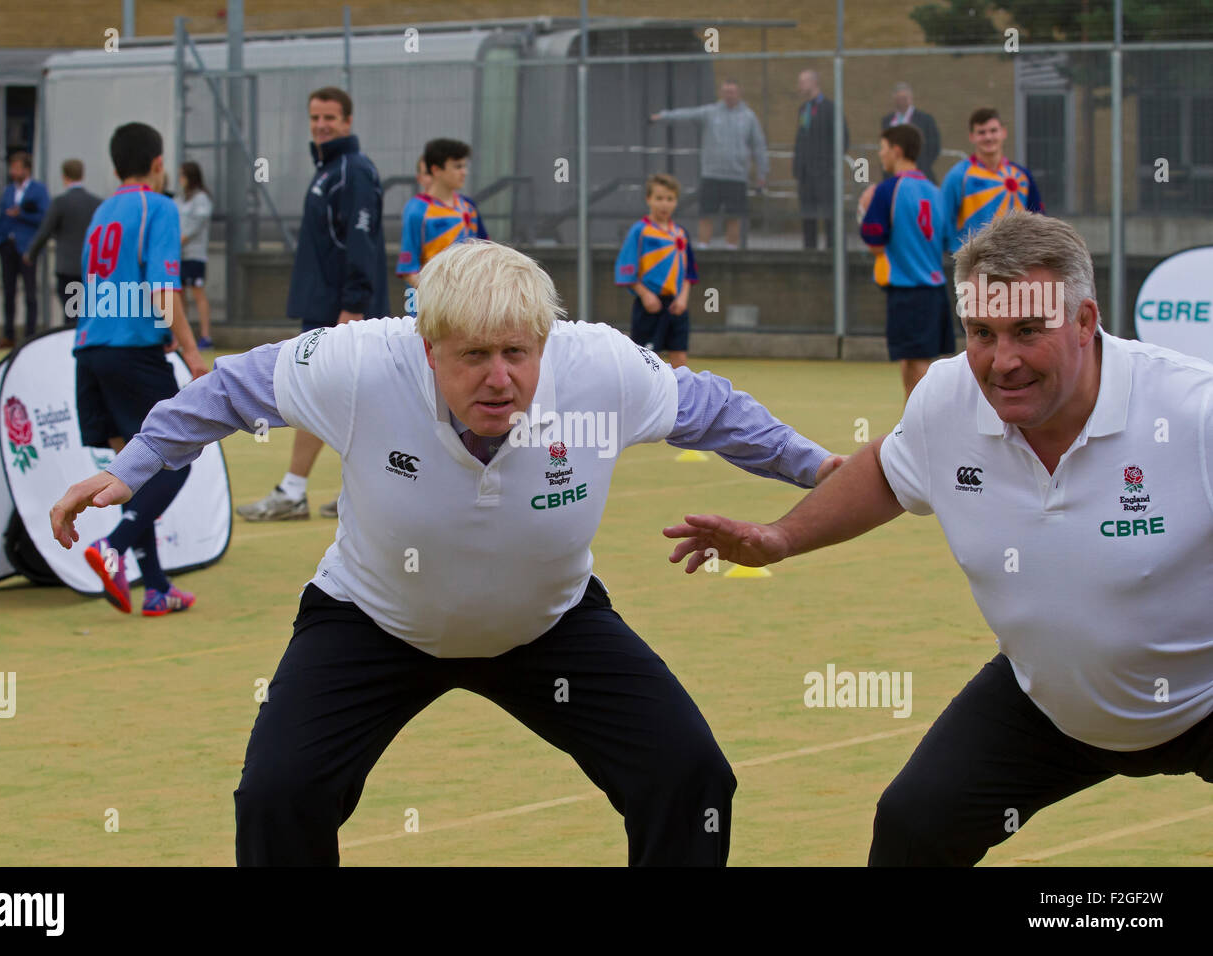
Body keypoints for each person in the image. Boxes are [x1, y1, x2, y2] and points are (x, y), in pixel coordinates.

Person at [49, 239, 846, 866]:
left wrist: (823, 470)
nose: (500, 379)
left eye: (517, 354)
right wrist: (130, 469)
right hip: (374, 622)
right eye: (474, 356)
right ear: (428, 348)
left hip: (550, 627)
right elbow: (230, 389)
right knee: (276, 797)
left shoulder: (595, 363)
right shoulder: (361, 364)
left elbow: (712, 410)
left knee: (690, 779)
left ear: (544, 343)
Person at [665, 209, 1213, 866]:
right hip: (1048, 697)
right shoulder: (948, 397)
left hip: (1201, 697)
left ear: (1085, 322)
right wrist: (779, 538)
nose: (1001, 361)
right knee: (913, 829)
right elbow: (888, 473)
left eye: (1026, 332)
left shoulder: (1190, 411)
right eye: (981, 332)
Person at [72, 121, 208, 617]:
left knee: (136, 467)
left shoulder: (101, 211)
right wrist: (192, 354)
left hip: (90, 349)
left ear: (113, 168)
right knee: (177, 455)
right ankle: (115, 545)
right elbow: (162, 287)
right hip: (133, 349)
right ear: (158, 164)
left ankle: (155, 587)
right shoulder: (160, 206)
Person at [237, 86, 388, 522]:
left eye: (330, 118)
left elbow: (360, 242)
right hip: (325, 306)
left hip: (341, 311)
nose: (321, 125)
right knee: (338, 398)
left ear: (348, 122)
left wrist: (353, 307)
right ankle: (360, 493)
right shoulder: (329, 170)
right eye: (315, 118)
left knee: (320, 395)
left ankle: (296, 491)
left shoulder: (353, 170)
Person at [857, 124, 951, 399]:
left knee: (915, 364)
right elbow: (946, 240)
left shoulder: (887, 190)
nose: (880, 155)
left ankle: (924, 426)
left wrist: (865, 209)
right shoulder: (935, 191)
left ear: (896, 151)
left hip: (908, 290)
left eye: (883, 148)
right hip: (935, 290)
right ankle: (915, 425)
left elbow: (874, 239)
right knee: (917, 361)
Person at [650, 78, 768, 250]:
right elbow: (686, 114)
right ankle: (704, 246)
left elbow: (759, 145)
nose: (729, 96)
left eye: (732, 92)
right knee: (706, 213)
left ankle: (732, 248)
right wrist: (663, 117)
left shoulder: (748, 117)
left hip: (737, 176)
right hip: (712, 174)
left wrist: (762, 173)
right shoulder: (710, 113)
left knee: (734, 215)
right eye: (726, 92)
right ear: (721, 93)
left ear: (738, 93)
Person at [397, 138, 487, 316]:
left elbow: (485, 253)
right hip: (429, 309)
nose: (464, 172)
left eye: (464, 166)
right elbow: (409, 269)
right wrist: (442, 296)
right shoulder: (417, 210)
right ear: (436, 170)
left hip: (467, 307)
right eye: (457, 166)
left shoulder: (468, 207)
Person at [616, 173, 697, 369]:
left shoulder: (680, 233)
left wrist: (683, 299)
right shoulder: (640, 231)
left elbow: (689, 273)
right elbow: (626, 269)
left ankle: (680, 399)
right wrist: (645, 295)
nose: (664, 204)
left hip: (675, 306)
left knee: (680, 359)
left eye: (670, 199)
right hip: (650, 305)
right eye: (659, 198)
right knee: (649, 361)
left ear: (676, 201)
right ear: (648, 199)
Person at [941, 107, 1043, 254]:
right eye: (981, 132)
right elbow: (943, 221)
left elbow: (1038, 220)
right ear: (972, 137)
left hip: (1016, 260)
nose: (988, 137)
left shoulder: (1022, 175)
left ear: (1003, 132)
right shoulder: (958, 175)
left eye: (993, 131)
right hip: (971, 262)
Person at [24, 158, 101, 328]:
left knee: (70, 312)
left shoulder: (60, 203)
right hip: (91, 265)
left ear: (64, 177)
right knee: (88, 310)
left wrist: (31, 253)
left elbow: (45, 231)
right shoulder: (96, 203)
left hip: (67, 266)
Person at [0, 151, 50, 348]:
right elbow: (2, 216)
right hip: (7, 247)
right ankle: (8, 334)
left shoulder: (38, 190)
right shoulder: (8, 191)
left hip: (27, 248)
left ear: (26, 170)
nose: (13, 172)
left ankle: (29, 336)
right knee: (8, 292)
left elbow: (45, 219)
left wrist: (22, 214)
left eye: (17, 168)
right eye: (12, 168)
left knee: (30, 293)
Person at [792, 70, 849, 251]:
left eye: (803, 82)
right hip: (805, 173)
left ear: (814, 82)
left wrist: (830, 163)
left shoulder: (830, 108)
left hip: (825, 173)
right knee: (808, 215)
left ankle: (832, 250)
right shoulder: (803, 109)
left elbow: (843, 138)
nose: (800, 86)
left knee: (829, 214)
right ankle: (809, 250)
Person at [176, 161, 214, 348]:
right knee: (180, 295)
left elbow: (195, 225)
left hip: (194, 255)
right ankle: (184, 337)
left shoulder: (201, 198)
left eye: (183, 175)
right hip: (179, 255)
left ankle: (206, 336)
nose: (180, 179)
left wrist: (181, 239)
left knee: (198, 294)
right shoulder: (180, 199)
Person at [880, 83, 940, 184]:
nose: (901, 101)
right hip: (892, 175)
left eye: (904, 98)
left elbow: (934, 145)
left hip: (919, 172)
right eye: (898, 98)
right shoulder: (887, 121)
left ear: (910, 98)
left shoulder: (925, 120)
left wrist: (923, 163)